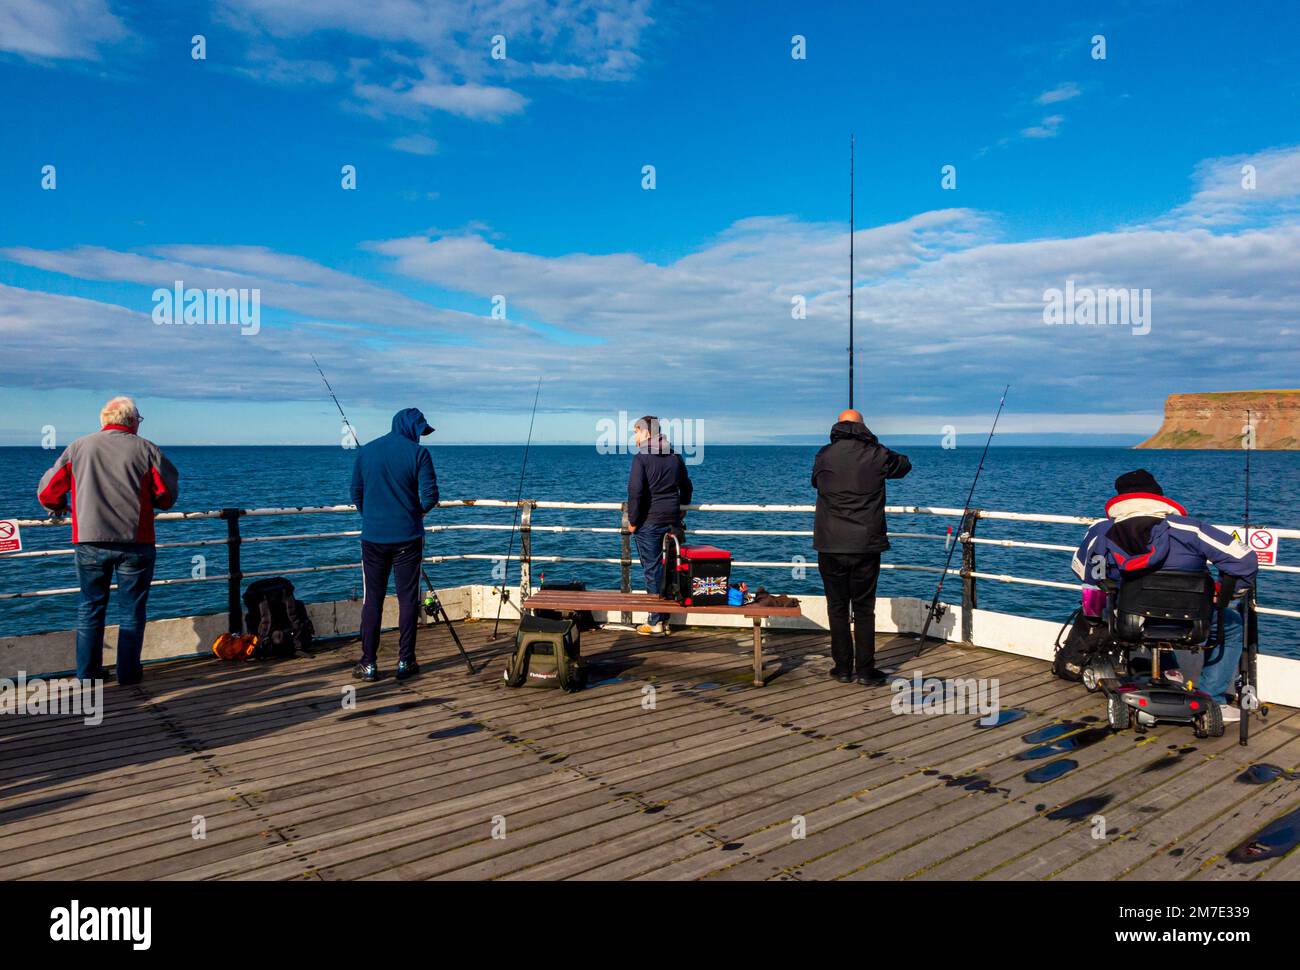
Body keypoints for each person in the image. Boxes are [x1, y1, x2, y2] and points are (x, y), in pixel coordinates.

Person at [1071, 469, 1258, 719]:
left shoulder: (1102, 531)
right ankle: (1212, 697)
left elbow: (1085, 571)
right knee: (1232, 623)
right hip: (1192, 619)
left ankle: (1168, 671)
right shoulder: (1191, 529)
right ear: (1159, 497)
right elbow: (1244, 560)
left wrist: (1110, 588)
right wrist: (1223, 593)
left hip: (1131, 619)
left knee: (1140, 606)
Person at [36, 396, 180, 685]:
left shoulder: (79, 447)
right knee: (132, 610)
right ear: (132, 421)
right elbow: (166, 495)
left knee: (90, 606)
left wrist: (57, 506)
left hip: (90, 540)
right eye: (139, 419)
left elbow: (49, 491)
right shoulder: (146, 448)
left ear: (104, 420)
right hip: (135, 540)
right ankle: (128, 673)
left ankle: (88, 675)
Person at [812, 409, 912, 685]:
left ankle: (842, 668)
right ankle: (866, 670)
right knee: (864, 608)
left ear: (838, 426)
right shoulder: (877, 454)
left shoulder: (823, 455)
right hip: (866, 546)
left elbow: (815, 482)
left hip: (830, 544)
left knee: (837, 607)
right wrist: (872, 443)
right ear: (863, 427)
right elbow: (904, 466)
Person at [350, 408, 439, 681]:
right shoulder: (418, 454)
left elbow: (356, 493)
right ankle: (405, 661)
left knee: (372, 601)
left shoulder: (366, 452)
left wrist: (373, 517)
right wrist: (417, 513)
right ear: (410, 428)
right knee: (408, 600)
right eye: (420, 431)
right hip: (408, 538)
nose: (421, 437)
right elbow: (431, 495)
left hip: (373, 538)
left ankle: (368, 663)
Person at [627, 416, 693, 636]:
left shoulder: (641, 458)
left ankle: (656, 621)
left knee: (652, 569)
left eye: (636, 432)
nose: (634, 437)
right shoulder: (674, 456)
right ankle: (664, 619)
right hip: (673, 520)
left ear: (646, 433)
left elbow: (636, 493)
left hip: (650, 521)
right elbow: (687, 486)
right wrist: (682, 507)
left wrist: (633, 521)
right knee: (671, 569)